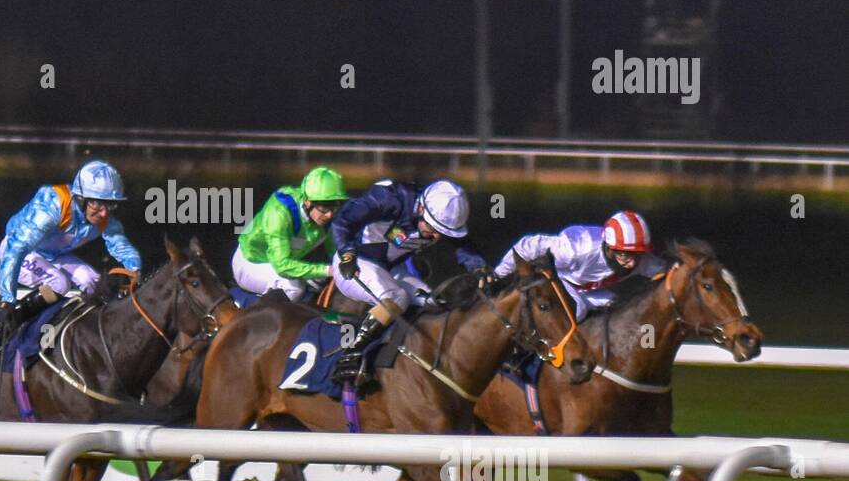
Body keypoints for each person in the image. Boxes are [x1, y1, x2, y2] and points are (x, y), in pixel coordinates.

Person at [328, 178, 483, 384]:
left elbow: (462, 244)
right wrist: (347, 254)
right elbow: (342, 221)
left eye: (443, 232)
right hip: (355, 263)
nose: (436, 236)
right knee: (397, 297)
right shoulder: (390, 199)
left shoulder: (433, 213)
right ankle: (350, 355)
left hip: (390, 269)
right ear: (420, 207)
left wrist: (478, 267)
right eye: (434, 228)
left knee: (434, 303)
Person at [0, 160, 142, 341]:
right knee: (60, 282)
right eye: (97, 204)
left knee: (94, 283)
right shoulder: (53, 207)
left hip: (53, 255)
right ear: (81, 198)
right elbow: (15, 249)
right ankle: (15, 321)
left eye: (109, 204)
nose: (103, 213)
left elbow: (121, 246)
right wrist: (7, 300)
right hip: (18, 251)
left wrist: (135, 271)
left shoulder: (103, 217)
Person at [493, 210, 662, 322]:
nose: (632, 263)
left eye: (637, 255)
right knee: (578, 309)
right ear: (610, 248)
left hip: (583, 289)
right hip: (555, 277)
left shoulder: (644, 262)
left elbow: (667, 274)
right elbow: (526, 246)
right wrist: (497, 278)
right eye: (625, 254)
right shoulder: (576, 250)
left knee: (620, 308)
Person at [233, 167, 348, 301]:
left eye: (335, 207)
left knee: (319, 282)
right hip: (251, 263)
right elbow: (282, 266)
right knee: (294, 287)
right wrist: (329, 270)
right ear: (307, 202)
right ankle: (253, 314)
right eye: (323, 208)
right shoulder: (279, 214)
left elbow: (335, 249)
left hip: (281, 263)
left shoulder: (327, 215)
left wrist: (347, 260)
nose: (329, 215)